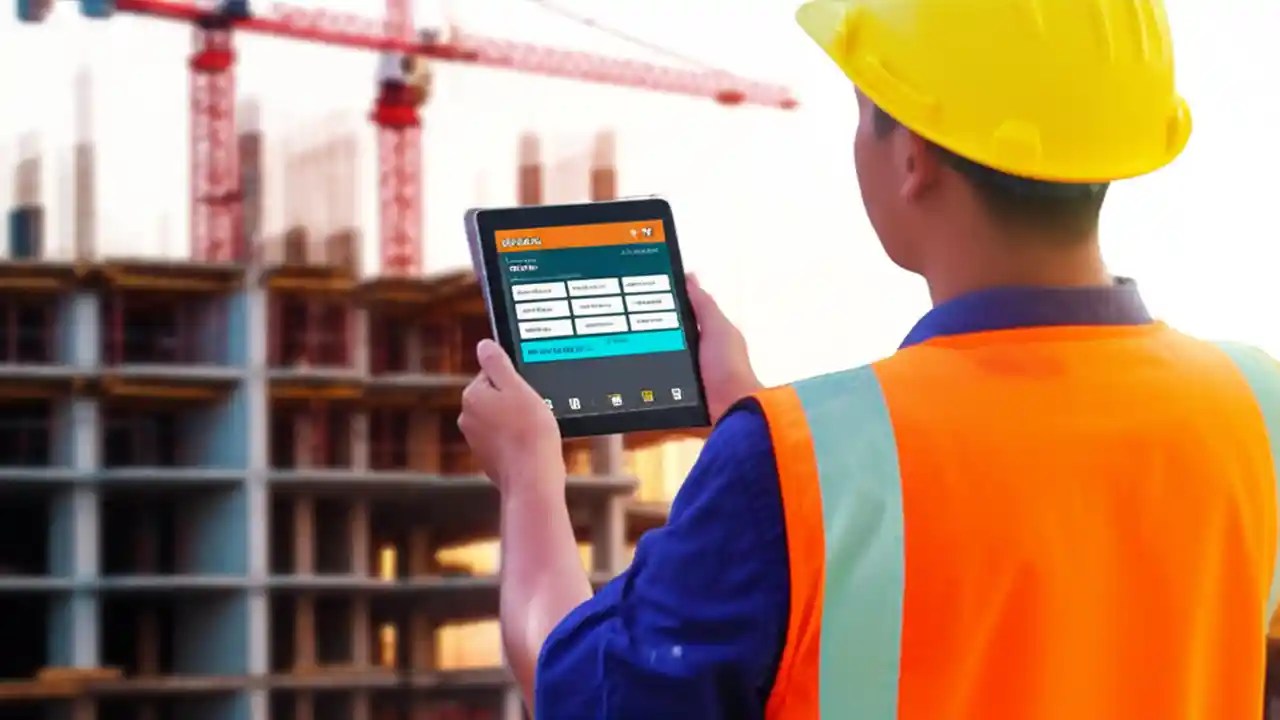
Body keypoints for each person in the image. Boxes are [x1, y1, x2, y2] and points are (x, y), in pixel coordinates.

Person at [458, 1, 1280, 718]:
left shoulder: (795, 465)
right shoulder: (1255, 406)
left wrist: (531, 479)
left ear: (913, 155)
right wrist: (764, 436)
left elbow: (581, 693)